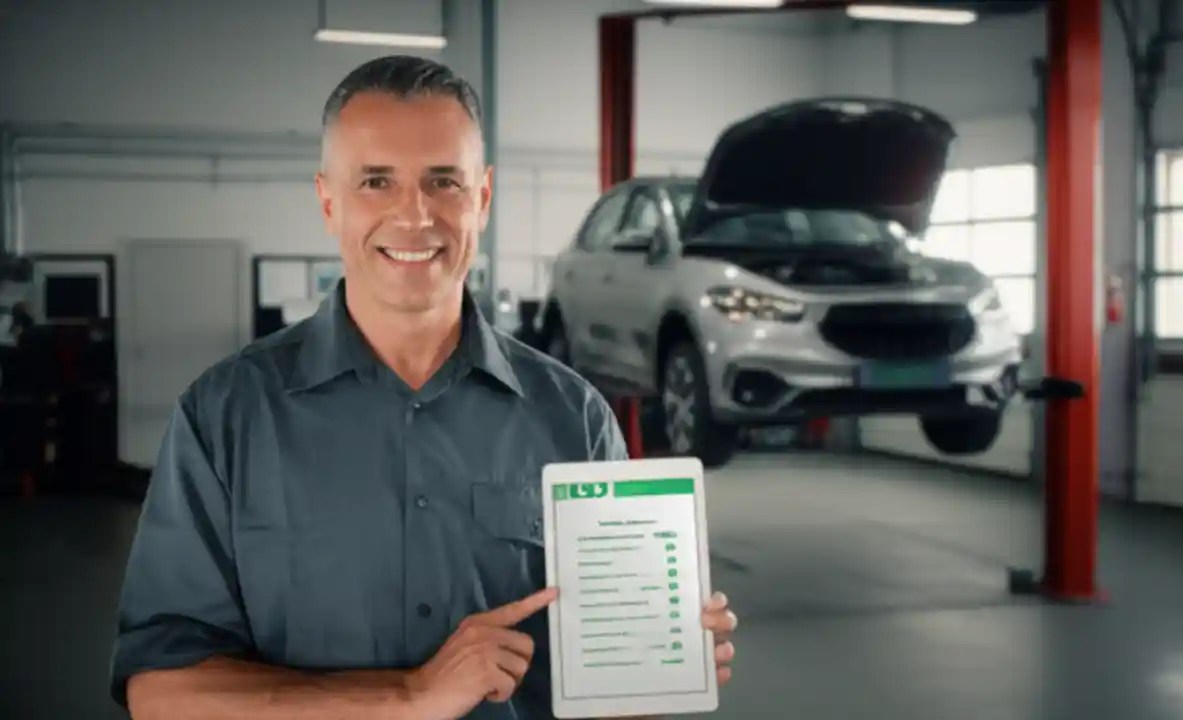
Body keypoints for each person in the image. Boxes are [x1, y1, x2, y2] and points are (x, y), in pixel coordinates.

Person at [109, 55, 737, 720]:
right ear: (328, 201)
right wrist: (408, 697)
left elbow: (610, 691)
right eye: (376, 181)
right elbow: (162, 689)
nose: (414, 215)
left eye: (444, 182)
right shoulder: (225, 416)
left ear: (483, 198)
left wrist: (663, 661)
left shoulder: (572, 416)